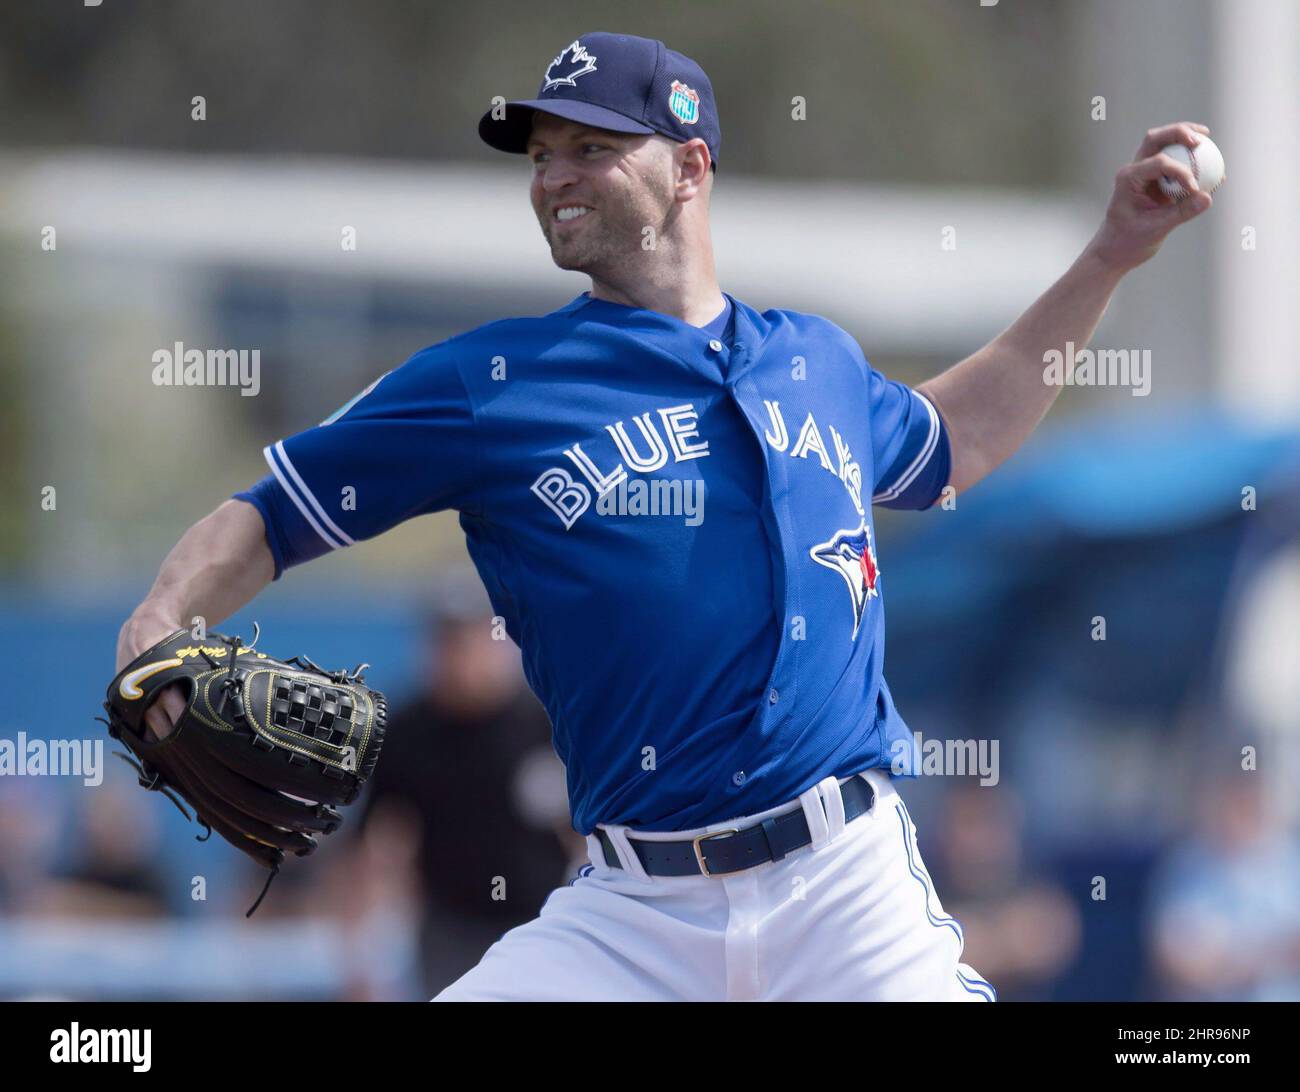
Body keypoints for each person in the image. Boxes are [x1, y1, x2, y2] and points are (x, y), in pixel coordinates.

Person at [116, 31, 1214, 1001]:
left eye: (591, 148)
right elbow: (269, 515)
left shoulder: (813, 362)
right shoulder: (492, 382)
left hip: (846, 893)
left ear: (688, 166)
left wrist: (1113, 250)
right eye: (542, 155)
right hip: (630, 916)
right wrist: (158, 621)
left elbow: (955, 440)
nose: (555, 177)